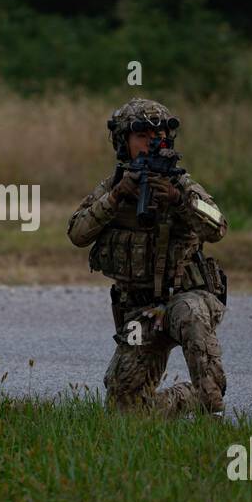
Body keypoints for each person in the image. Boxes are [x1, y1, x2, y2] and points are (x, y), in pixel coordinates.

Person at [68, 98, 229, 416]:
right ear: (123, 142)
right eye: (141, 135)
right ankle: (187, 398)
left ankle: (214, 411)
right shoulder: (115, 186)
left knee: (192, 317)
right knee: (124, 409)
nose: (153, 142)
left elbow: (218, 227)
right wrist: (115, 198)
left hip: (187, 295)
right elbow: (77, 232)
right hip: (145, 312)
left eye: (160, 136)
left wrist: (179, 200)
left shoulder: (180, 183)